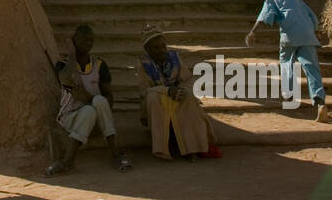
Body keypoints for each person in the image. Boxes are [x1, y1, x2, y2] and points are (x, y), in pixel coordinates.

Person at [46, 24, 132, 176]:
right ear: (74, 40)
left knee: (98, 102)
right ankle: (68, 162)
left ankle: (116, 153)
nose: (88, 43)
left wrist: (102, 108)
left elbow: (109, 97)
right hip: (70, 117)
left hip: (95, 115)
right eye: (83, 39)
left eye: (91, 40)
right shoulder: (63, 65)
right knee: (90, 109)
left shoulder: (99, 65)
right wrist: (72, 55)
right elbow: (72, 86)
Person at [246, 0, 330, 123]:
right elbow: (313, 17)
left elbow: (263, 17)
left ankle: (289, 94)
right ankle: (320, 102)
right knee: (312, 68)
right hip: (307, 35)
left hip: (289, 37)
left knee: (286, 62)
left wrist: (253, 32)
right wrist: (315, 31)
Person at [137, 25, 221, 160]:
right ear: (147, 49)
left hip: (177, 97)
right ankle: (163, 147)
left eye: (163, 46)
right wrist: (167, 91)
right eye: (156, 48)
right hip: (158, 101)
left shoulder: (175, 58)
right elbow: (145, 91)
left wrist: (181, 90)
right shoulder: (143, 64)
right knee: (152, 97)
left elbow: (187, 80)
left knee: (189, 96)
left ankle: (192, 147)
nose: (161, 50)